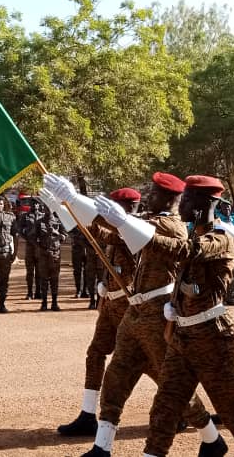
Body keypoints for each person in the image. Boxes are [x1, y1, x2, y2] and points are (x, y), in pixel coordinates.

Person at [45, 173, 218, 457]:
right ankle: (102, 446)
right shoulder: (150, 219)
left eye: (153, 192)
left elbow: (117, 225)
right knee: (116, 377)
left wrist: (74, 199)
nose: (148, 196)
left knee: (171, 383)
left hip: (157, 311)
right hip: (135, 311)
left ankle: (210, 436)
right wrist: (66, 205)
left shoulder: (170, 226)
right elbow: (103, 230)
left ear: (169, 198)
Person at [94, 175, 234, 457]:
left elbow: (184, 252)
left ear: (204, 204)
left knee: (232, 411)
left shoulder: (219, 239)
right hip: (183, 338)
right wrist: (173, 311)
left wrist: (123, 223)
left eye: (189, 198)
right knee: (164, 408)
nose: (182, 202)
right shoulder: (194, 232)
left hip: (213, 337)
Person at [55, 187, 140, 437]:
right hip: (112, 304)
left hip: (130, 306)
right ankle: (87, 413)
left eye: (112, 207)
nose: (106, 212)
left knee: (149, 362)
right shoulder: (117, 230)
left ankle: (186, 413)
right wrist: (62, 207)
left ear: (127, 208)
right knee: (95, 353)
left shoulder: (134, 230)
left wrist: (72, 206)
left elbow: (106, 236)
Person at [32, 207, 67, 311]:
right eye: (46, 208)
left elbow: (65, 235)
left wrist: (57, 235)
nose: (48, 210)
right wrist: (40, 247)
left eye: (49, 208)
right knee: (44, 279)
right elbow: (33, 237)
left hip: (55, 254)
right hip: (43, 255)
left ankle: (54, 303)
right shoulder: (39, 222)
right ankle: (44, 303)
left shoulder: (59, 221)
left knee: (54, 279)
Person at [17, 198, 43, 299]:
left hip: (40, 247)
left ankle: (38, 292)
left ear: (39, 205)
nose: (34, 206)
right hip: (30, 246)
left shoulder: (43, 216)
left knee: (39, 271)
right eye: (33, 204)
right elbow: (19, 229)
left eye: (36, 204)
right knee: (30, 271)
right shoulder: (25, 216)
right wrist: (27, 237)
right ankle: (29, 292)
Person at [70, 227, 88, 298]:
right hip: (77, 250)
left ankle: (85, 291)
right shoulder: (73, 222)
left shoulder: (89, 221)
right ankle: (78, 290)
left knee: (87, 271)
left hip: (88, 250)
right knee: (77, 271)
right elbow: (69, 232)